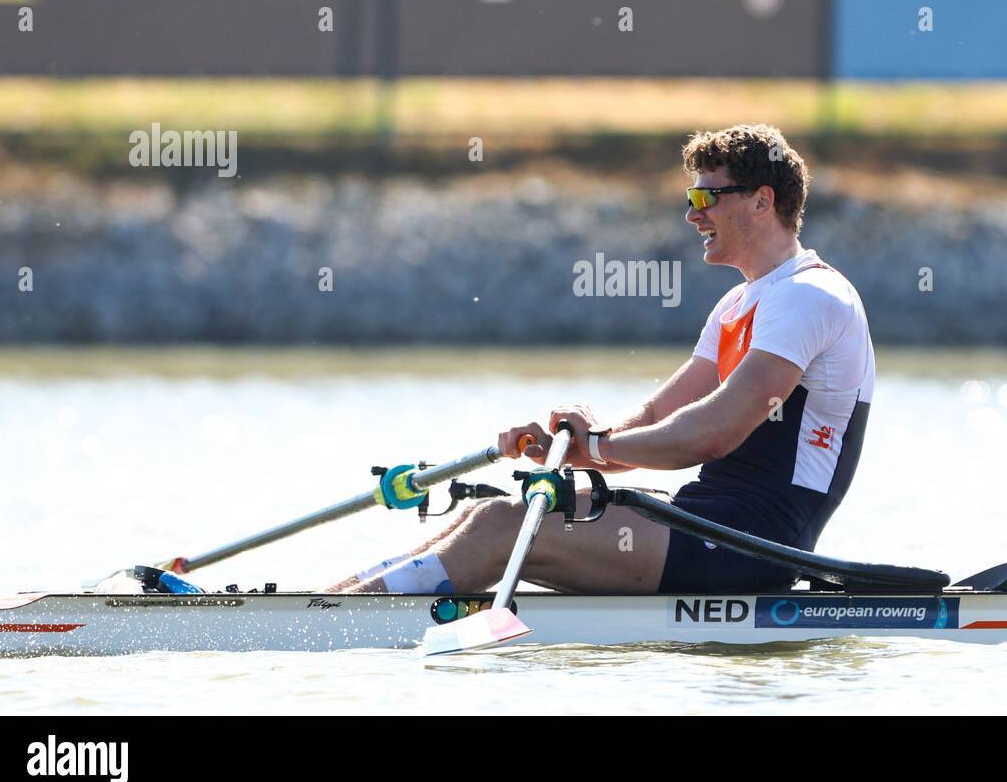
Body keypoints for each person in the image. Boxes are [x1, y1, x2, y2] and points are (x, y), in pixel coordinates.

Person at [324, 124, 874, 596]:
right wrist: (573, 445)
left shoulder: (811, 297)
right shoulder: (740, 302)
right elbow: (658, 418)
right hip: (709, 523)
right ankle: (331, 604)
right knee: (484, 512)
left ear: (762, 200)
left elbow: (712, 434)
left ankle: (324, 622)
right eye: (690, 197)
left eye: (707, 198)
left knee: (501, 526)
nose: (691, 213)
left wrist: (598, 449)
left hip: (753, 547)